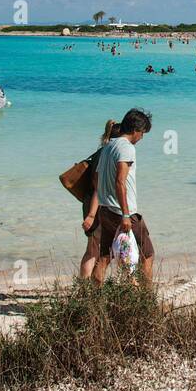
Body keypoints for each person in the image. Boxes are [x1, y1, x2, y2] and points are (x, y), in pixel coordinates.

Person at [84, 108, 156, 283]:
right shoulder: (127, 148)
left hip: (106, 211)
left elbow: (98, 179)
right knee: (147, 255)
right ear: (135, 130)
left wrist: (97, 211)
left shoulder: (108, 146)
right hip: (125, 214)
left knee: (104, 258)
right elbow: (120, 182)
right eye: (142, 133)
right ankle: (146, 301)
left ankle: (94, 299)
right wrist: (125, 215)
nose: (142, 137)